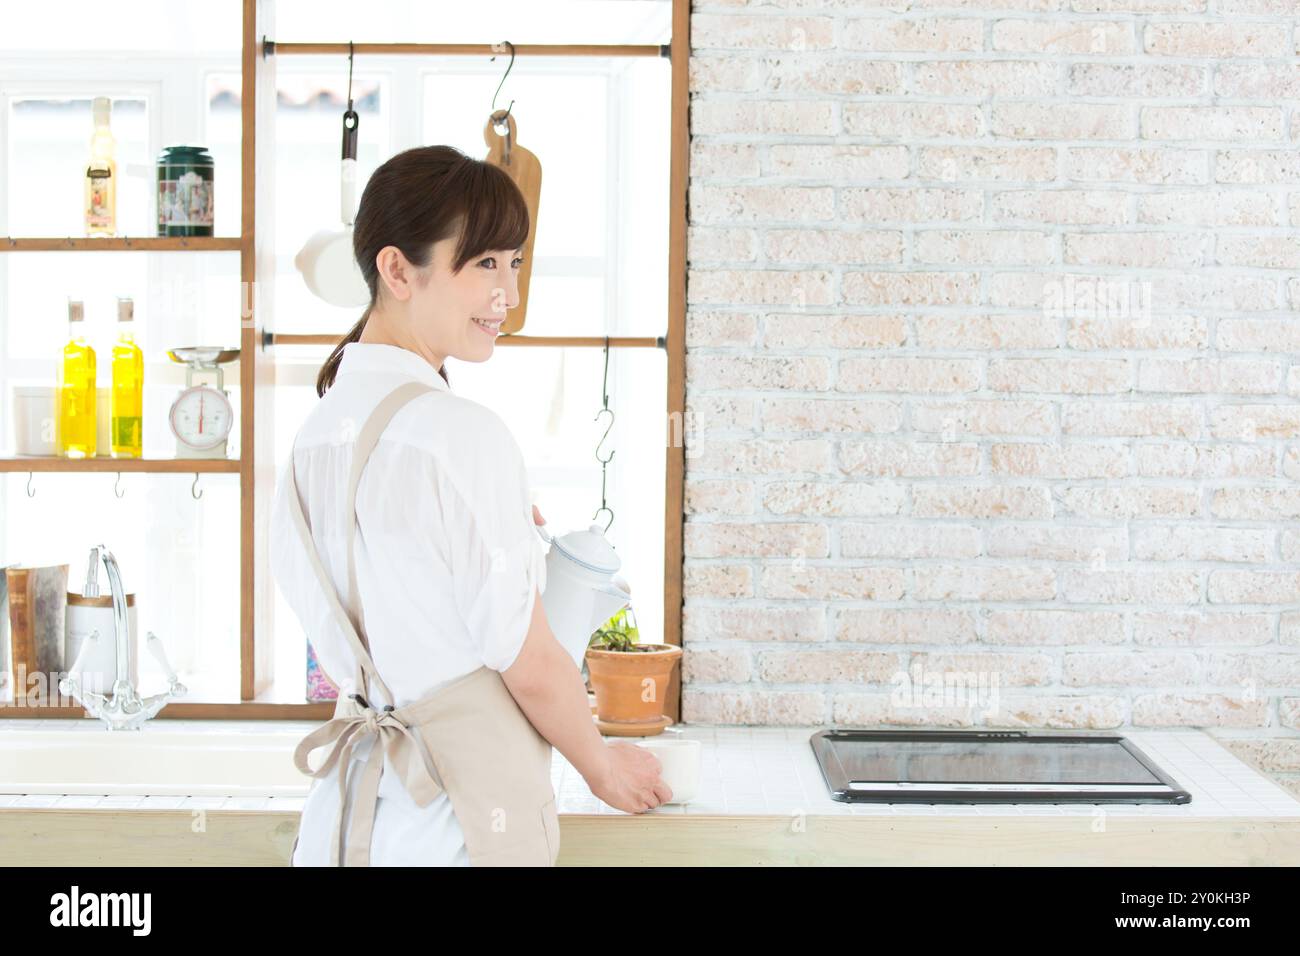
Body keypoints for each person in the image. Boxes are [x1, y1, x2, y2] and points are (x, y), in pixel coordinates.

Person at [269, 145, 669, 866]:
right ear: (398, 271)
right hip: (454, 825)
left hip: (341, 824)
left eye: (514, 262)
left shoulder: (313, 438)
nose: (509, 293)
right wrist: (604, 769)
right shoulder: (459, 434)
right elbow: (529, 661)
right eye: (485, 263)